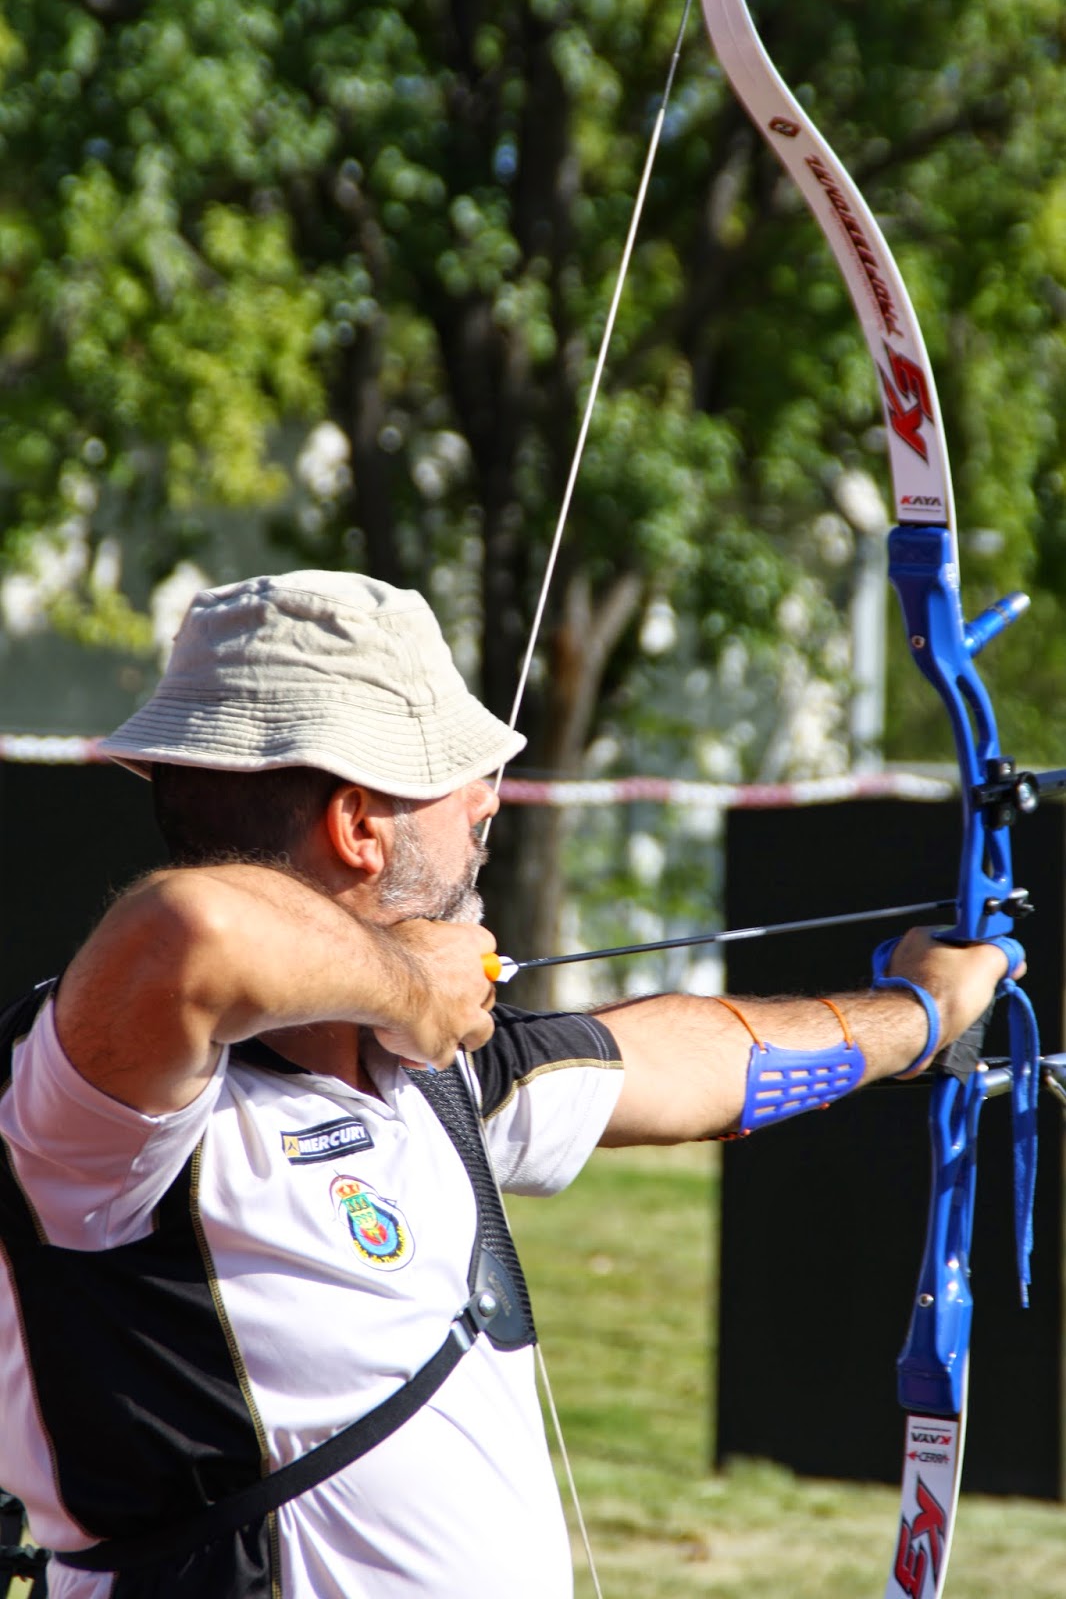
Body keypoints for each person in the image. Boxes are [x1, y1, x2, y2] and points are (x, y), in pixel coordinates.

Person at [0, 570, 1013, 1599]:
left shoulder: (428, 1072)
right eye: (460, 774)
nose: (489, 800)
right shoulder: (105, 1112)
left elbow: (690, 1060)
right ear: (360, 824)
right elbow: (184, 934)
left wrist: (917, 1016)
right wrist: (405, 980)